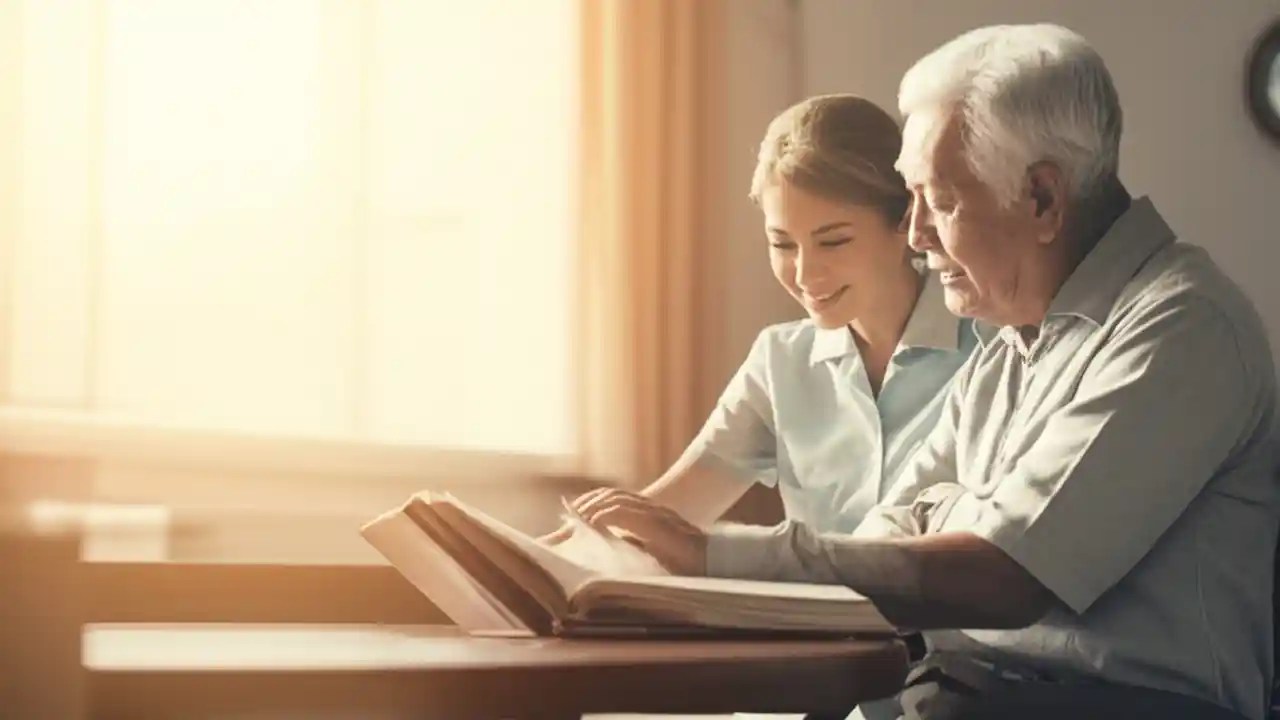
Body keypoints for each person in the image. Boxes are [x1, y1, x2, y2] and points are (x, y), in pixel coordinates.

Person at [575, 24, 1280, 720]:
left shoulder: (1182, 326)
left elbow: (1003, 576)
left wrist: (712, 556)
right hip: (962, 694)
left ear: (1042, 198)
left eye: (939, 202)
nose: (915, 234)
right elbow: (894, 532)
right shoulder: (1009, 349)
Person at [557, 94, 974, 544]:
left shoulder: (994, 346)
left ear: (907, 221)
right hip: (807, 595)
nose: (805, 274)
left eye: (833, 242)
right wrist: (529, 561)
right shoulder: (781, 360)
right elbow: (674, 505)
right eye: (783, 244)